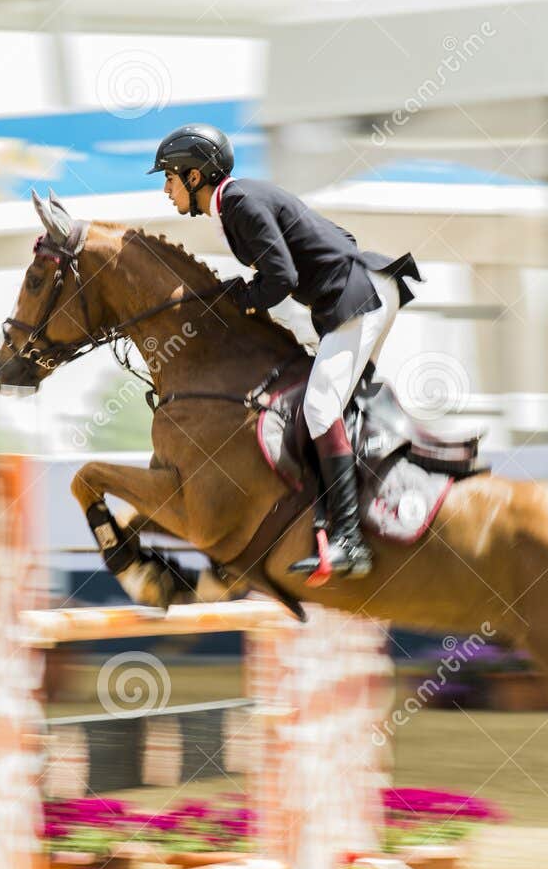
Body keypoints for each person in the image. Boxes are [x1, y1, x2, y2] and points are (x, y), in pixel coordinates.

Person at [149, 123, 420, 582]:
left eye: (169, 178)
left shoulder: (238, 204)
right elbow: (334, 240)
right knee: (331, 404)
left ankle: (350, 540)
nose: (165, 190)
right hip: (360, 289)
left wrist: (235, 301)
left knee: (318, 408)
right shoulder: (238, 204)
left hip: (357, 296)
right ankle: (361, 509)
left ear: (195, 177)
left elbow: (282, 279)